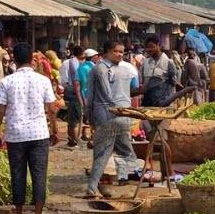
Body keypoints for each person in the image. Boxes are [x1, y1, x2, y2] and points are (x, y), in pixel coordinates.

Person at [0, 43, 57, 214]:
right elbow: (52, 109)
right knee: (39, 174)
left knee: (17, 174)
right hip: (39, 134)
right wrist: (55, 130)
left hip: (15, 135)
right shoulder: (43, 80)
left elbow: (0, 110)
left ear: (14, 59)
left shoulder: (6, 81)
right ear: (31, 59)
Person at [84, 41, 142, 198]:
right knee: (113, 152)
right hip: (110, 115)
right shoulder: (101, 69)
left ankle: (100, 185)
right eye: (116, 51)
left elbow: (125, 92)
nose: (120, 55)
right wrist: (90, 117)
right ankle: (96, 186)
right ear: (107, 52)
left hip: (118, 115)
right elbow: (103, 95)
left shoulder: (117, 69)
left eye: (122, 52)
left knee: (117, 152)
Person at [139, 37, 178, 108]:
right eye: (147, 47)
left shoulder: (168, 62)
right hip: (147, 104)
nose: (149, 49)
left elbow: (174, 83)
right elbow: (143, 83)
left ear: (158, 45)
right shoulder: (145, 63)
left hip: (163, 104)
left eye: (152, 46)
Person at [58, 45, 84, 147]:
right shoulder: (68, 63)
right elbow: (64, 80)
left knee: (78, 116)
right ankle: (72, 139)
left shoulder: (82, 64)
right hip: (72, 93)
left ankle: (76, 138)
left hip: (80, 92)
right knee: (74, 116)